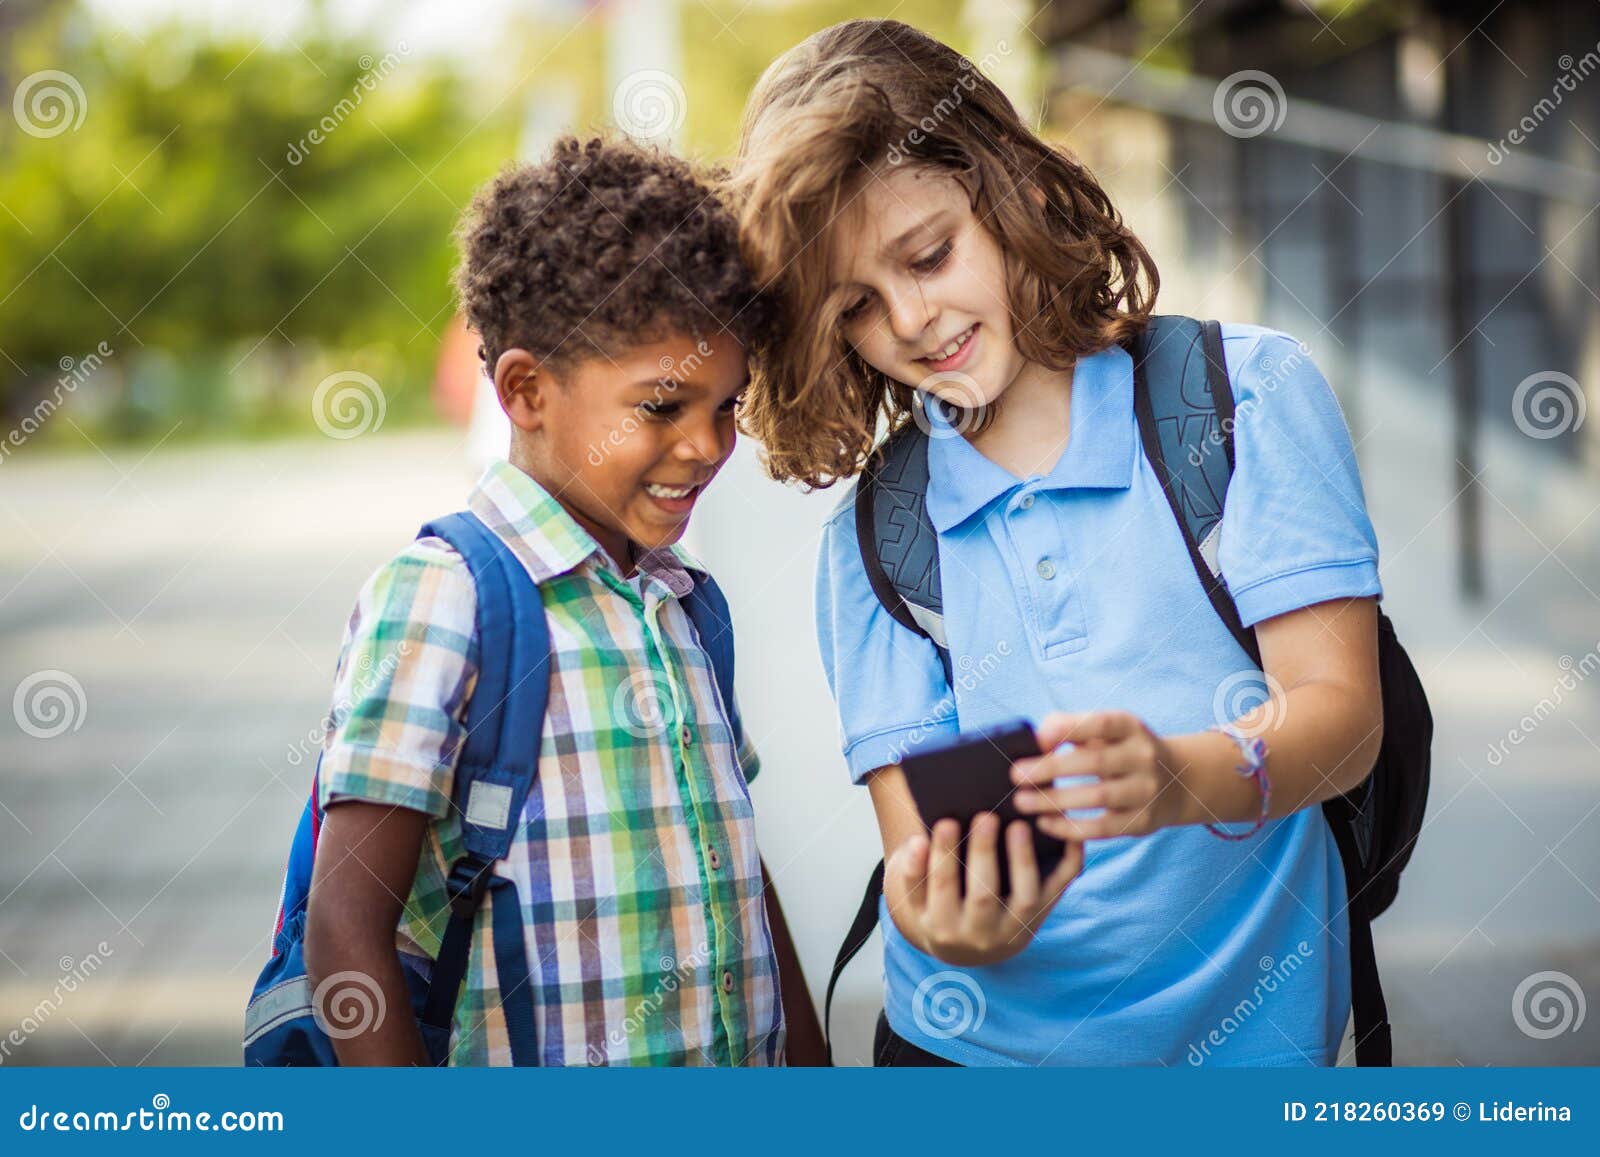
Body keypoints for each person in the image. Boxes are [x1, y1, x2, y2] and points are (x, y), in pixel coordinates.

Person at [732, 20, 1384, 1066]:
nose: (910, 317)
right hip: (973, 1059)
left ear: (1014, 187)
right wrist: (944, 916)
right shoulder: (871, 539)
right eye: (856, 305)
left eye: (929, 253)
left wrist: (1176, 776)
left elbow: (1344, 723)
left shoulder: (1241, 399)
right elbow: (916, 850)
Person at [303, 135, 822, 1066]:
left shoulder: (685, 603)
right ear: (527, 390)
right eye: (663, 406)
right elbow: (345, 934)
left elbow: (732, 863)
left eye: (726, 407)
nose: (707, 445)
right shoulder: (444, 597)